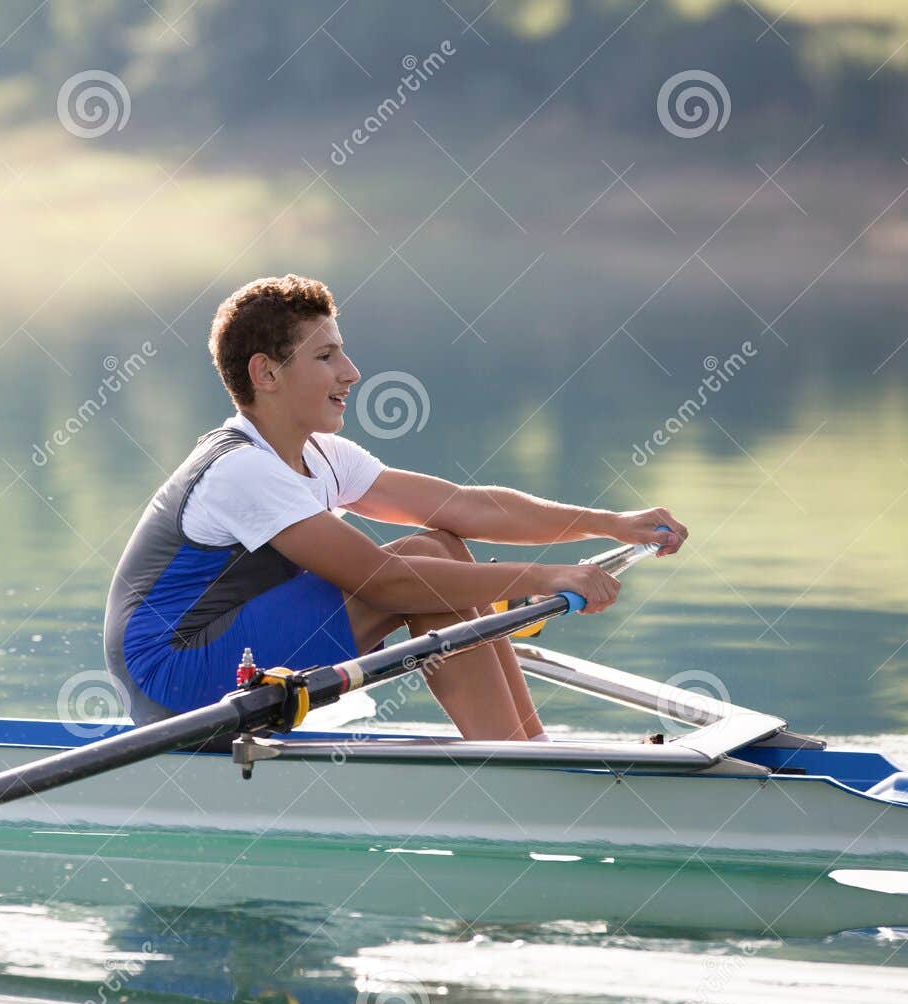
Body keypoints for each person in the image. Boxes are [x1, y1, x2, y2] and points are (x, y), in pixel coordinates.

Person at [103, 274, 686, 740]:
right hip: (173, 678)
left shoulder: (323, 455)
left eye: (344, 354)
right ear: (266, 373)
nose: (350, 373)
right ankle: (515, 760)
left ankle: (523, 747)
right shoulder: (241, 469)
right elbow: (384, 583)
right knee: (419, 575)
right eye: (326, 357)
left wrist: (608, 523)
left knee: (438, 546)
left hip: (229, 652)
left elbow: (466, 507)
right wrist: (546, 576)